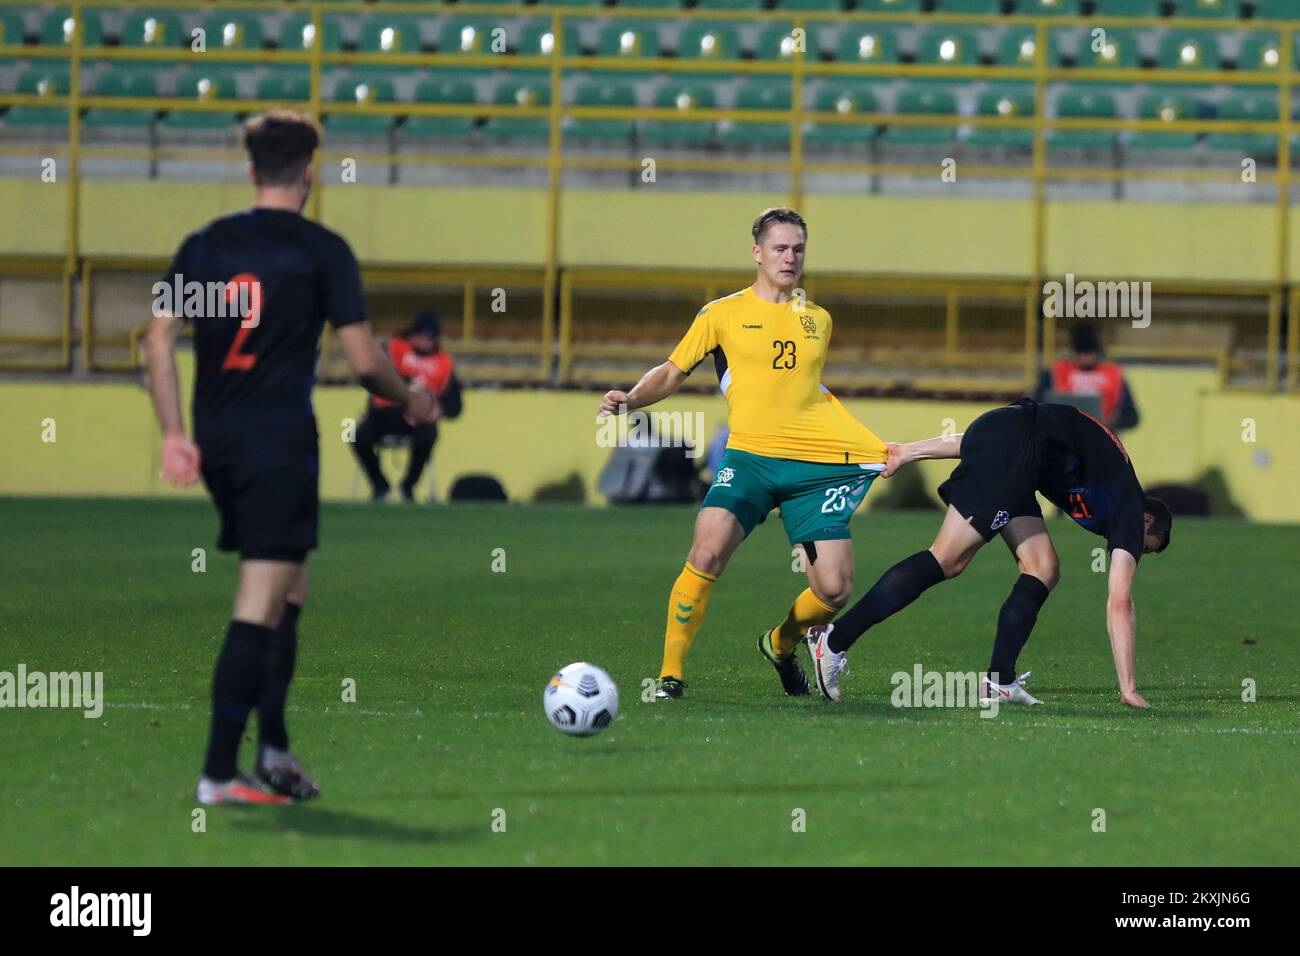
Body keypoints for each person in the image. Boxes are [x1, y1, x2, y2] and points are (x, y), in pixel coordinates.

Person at [144, 111, 438, 806]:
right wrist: (413, 400)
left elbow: (157, 341)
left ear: (251, 171)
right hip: (277, 445)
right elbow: (365, 361)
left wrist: (172, 433)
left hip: (218, 440)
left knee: (290, 590)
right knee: (260, 602)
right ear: (310, 173)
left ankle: (273, 746)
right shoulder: (320, 251)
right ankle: (219, 774)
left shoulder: (205, 246)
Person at [598, 208, 889, 700]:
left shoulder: (819, 320)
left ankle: (780, 643)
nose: (789, 257)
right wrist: (630, 397)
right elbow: (672, 371)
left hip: (809, 469)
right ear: (757, 253)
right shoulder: (721, 314)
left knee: (835, 589)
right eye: (779, 247)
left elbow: (808, 395)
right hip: (749, 460)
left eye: (798, 248)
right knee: (707, 551)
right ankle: (671, 674)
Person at [807, 399, 1172, 708]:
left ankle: (1000, 680)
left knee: (1043, 568)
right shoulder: (1128, 506)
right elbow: (1119, 600)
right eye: (1143, 546)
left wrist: (909, 452)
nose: (1132, 551)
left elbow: (995, 434)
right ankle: (834, 641)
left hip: (1005, 435)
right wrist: (1128, 687)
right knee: (947, 559)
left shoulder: (1111, 474)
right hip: (1016, 453)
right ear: (1147, 519)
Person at [352, 310, 462, 502]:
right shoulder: (393, 348)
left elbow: (455, 404)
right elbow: (377, 375)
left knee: (428, 437)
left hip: (419, 420)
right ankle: (379, 485)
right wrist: (408, 390)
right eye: (420, 335)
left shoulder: (444, 363)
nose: (423, 341)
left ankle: (408, 487)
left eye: (429, 337)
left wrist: (439, 410)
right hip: (384, 414)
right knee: (359, 436)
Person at [1037, 323, 1140, 431]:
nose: (1085, 357)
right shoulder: (1055, 372)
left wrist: (1114, 421)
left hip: (1101, 438)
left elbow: (1132, 418)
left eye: (1089, 351)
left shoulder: (1114, 375)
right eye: (1081, 352)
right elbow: (1036, 408)